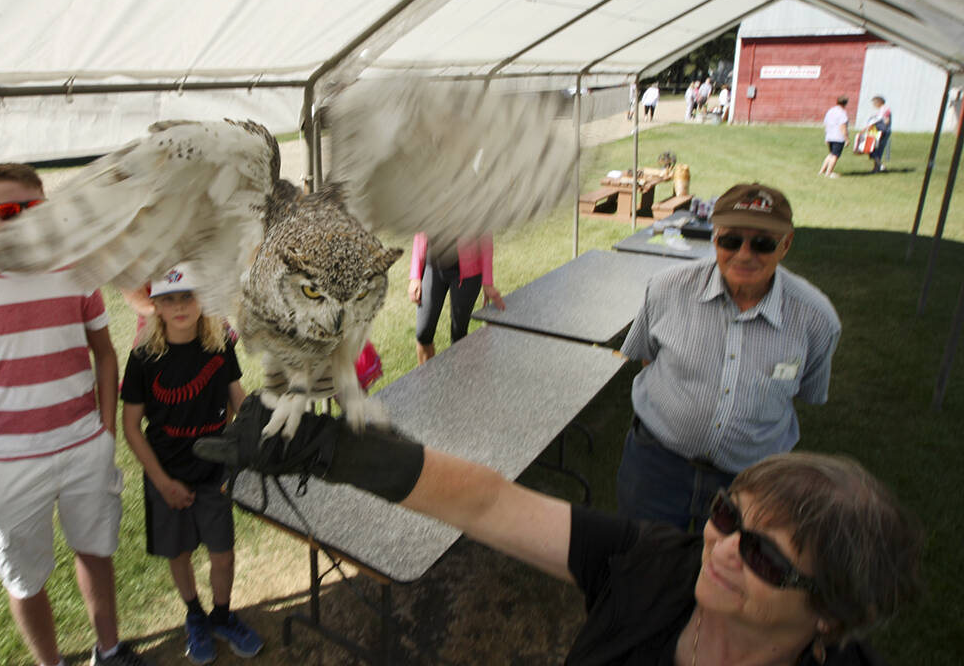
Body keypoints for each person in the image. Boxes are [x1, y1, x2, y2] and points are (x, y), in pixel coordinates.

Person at [196, 397, 923, 666]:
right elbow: (487, 504)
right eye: (729, 515)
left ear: (830, 613)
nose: (724, 547)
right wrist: (343, 451)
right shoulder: (657, 563)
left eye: (765, 555)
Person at [0, 163, 146, 666]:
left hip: (83, 447)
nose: (24, 218)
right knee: (24, 578)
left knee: (95, 551)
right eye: (8, 210)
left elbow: (106, 354)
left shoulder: (78, 273)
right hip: (9, 463)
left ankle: (109, 652)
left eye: (35, 206)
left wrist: (105, 434)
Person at [616, 183, 841, 531]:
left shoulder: (817, 319)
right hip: (655, 465)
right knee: (642, 563)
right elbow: (648, 359)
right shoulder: (666, 289)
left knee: (728, 578)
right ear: (714, 237)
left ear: (786, 243)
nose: (745, 254)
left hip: (750, 481)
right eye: (731, 240)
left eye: (763, 243)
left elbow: (807, 393)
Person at [120, 264, 263, 665]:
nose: (180, 306)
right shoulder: (144, 358)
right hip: (167, 475)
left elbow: (238, 399)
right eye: (169, 299)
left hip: (213, 472)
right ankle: (195, 616)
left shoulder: (219, 346)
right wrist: (162, 481)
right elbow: (130, 426)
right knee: (178, 551)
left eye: (189, 296)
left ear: (205, 300)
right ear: (156, 306)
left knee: (223, 552)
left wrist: (254, 429)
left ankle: (221, 614)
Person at [409, 233, 505, 365]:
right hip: (433, 269)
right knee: (423, 333)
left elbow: (485, 238)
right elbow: (419, 233)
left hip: (468, 274)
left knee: (458, 334)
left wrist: (487, 283)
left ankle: (457, 382)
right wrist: (415, 276)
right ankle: (426, 382)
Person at [819, 96, 850, 178]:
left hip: (829, 135)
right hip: (838, 137)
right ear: (846, 103)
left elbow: (826, 123)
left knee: (831, 154)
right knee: (835, 155)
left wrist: (826, 135)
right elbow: (842, 126)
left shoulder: (830, 111)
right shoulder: (842, 113)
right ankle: (829, 172)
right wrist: (846, 138)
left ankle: (822, 171)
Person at [865, 96, 892, 173]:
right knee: (875, 149)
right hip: (878, 131)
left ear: (879, 102)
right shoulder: (882, 110)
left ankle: (880, 166)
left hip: (882, 132)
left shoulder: (886, 110)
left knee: (874, 149)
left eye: (874, 103)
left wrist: (876, 123)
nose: (873, 105)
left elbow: (886, 121)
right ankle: (876, 168)